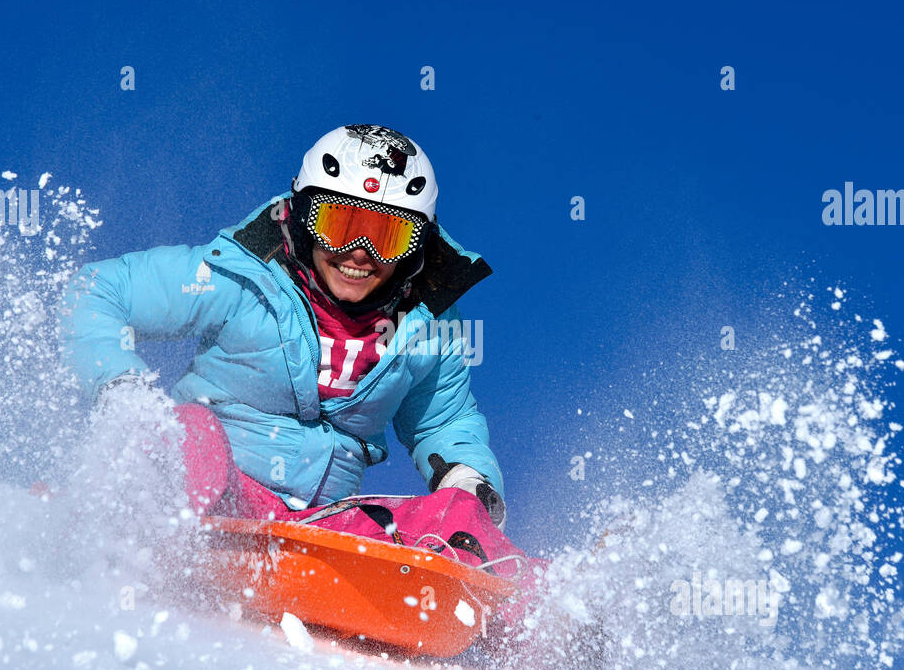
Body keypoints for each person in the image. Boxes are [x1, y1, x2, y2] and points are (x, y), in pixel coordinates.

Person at [59, 124, 542, 625]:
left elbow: (443, 423)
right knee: (190, 434)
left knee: (459, 519)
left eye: (387, 235)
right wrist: (121, 393)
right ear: (303, 217)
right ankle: (140, 529)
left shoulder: (426, 329)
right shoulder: (239, 279)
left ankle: (546, 624)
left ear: (416, 248)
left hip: (327, 531)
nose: (360, 253)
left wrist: (468, 481)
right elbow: (97, 290)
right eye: (339, 223)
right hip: (218, 496)